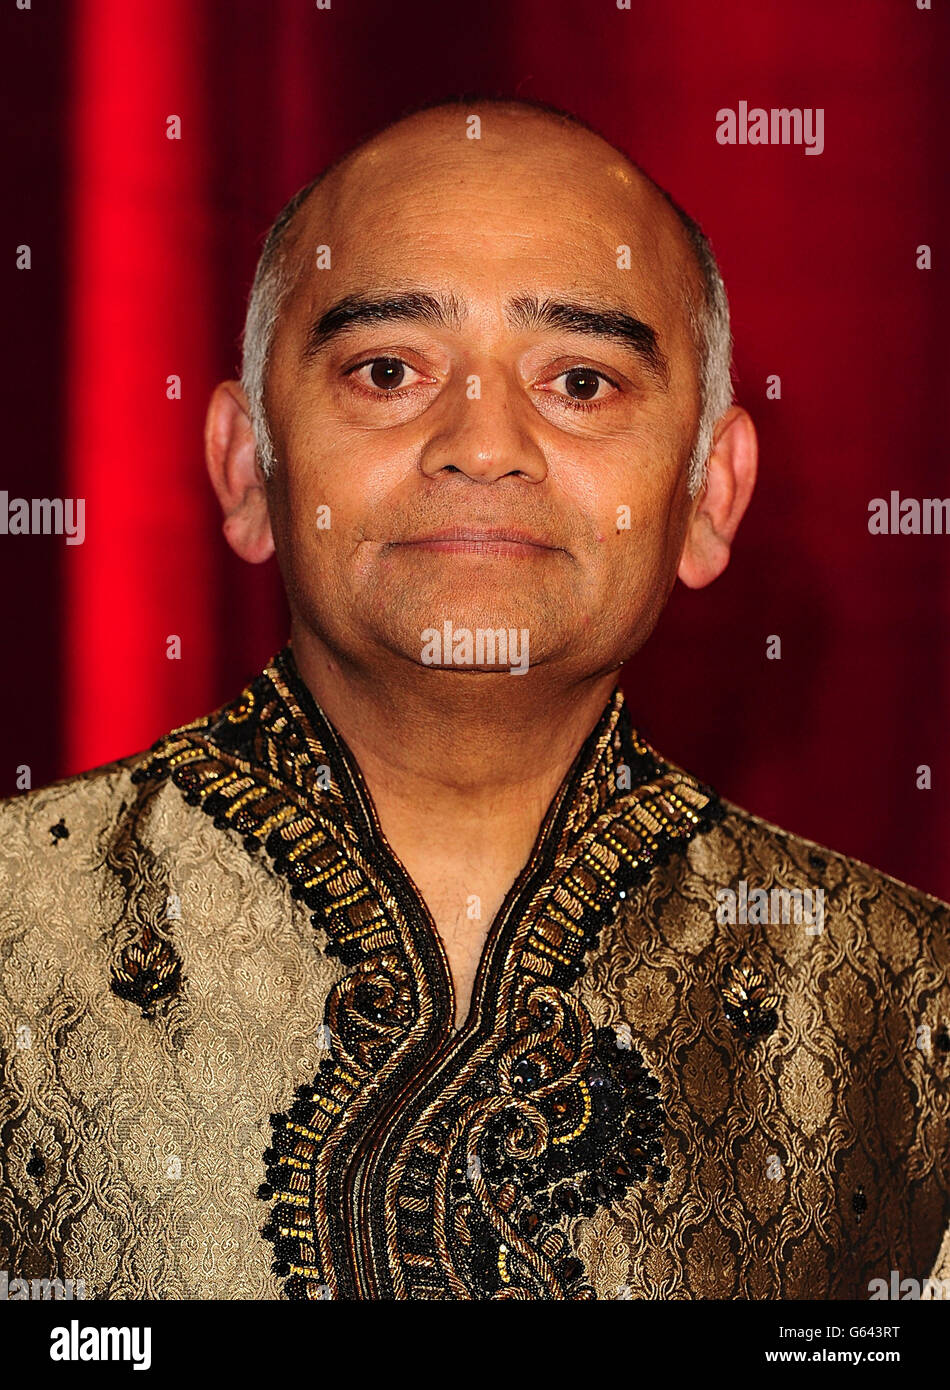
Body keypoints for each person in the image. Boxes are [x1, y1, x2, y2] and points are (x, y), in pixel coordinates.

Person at [1, 97, 947, 1302]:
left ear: (710, 493)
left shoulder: (909, 1023)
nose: (482, 441)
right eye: (388, 370)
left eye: (582, 381)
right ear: (248, 469)